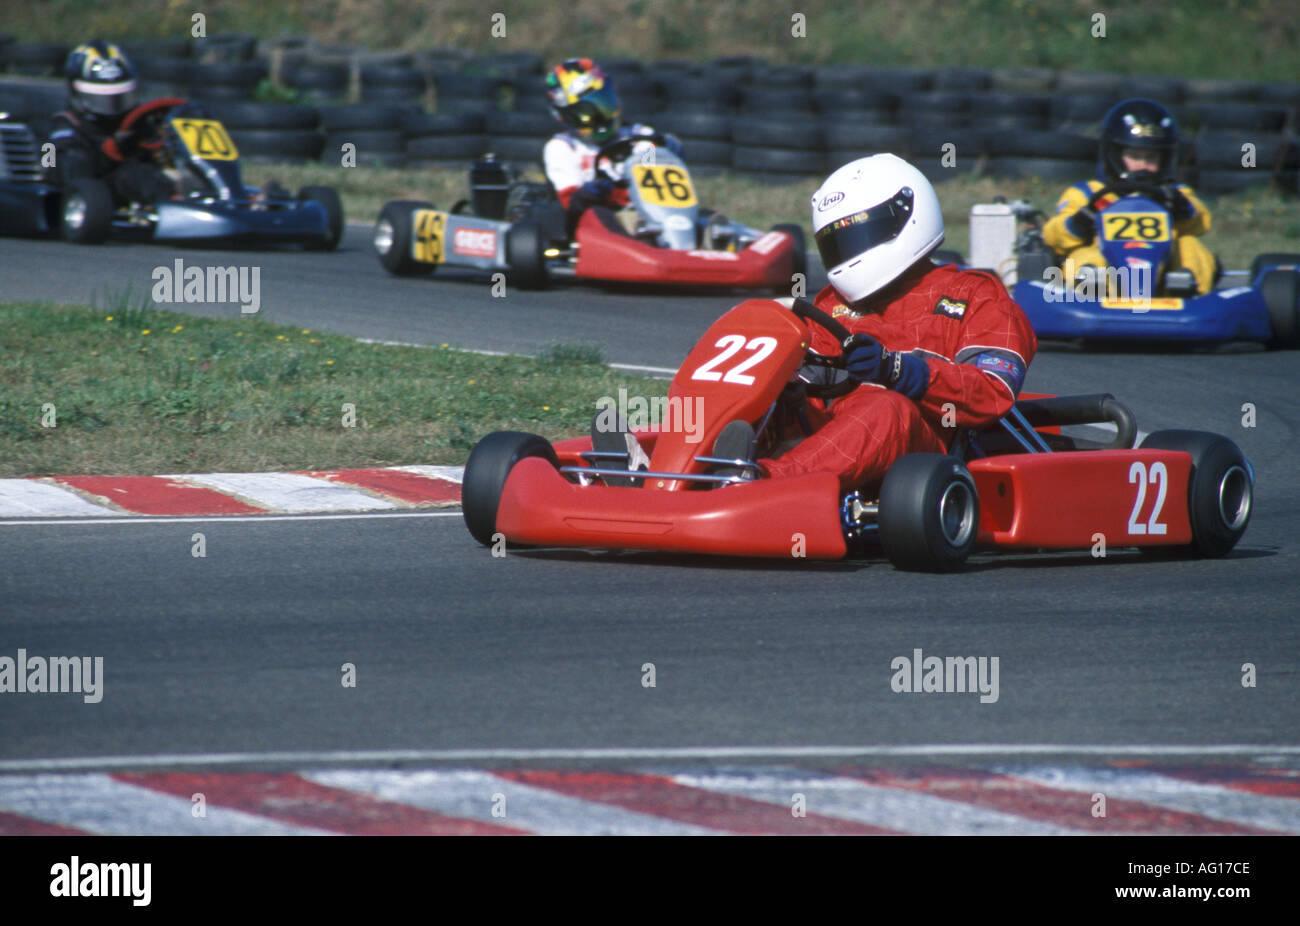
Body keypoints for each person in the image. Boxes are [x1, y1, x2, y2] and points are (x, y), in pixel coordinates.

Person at [716, 153, 1038, 492]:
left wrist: (900, 370)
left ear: (905, 216)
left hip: (922, 451)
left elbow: (992, 392)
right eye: (836, 243)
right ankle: (684, 468)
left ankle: (759, 485)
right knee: (762, 389)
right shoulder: (832, 305)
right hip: (830, 433)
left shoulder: (976, 295)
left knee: (884, 406)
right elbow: (813, 374)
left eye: (857, 236)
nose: (847, 252)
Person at [1042, 98, 1214, 295]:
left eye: (1151, 158)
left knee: (1190, 246)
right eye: (1134, 156)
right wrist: (1078, 224)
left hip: (1161, 276)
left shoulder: (1174, 194)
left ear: (1164, 159)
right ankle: (1091, 292)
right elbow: (1052, 236)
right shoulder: (1087, 193)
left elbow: (1202, 222)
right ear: (1114, 155)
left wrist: (1182, 209)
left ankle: (1186, 290)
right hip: (1107, 276)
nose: (1143, 165)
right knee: (1084, 256)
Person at [541, 57, 681, 236]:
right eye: (587, 113)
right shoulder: (563, 148)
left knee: (706, 220)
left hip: (652, 215)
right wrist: (593, 193)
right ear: (567, 116)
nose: (601, 117)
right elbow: (571, 203)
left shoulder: (641, 136)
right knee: (608, 219)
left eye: (605, 103)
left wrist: (668, 151)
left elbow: (652, 168)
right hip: (600, 224)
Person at [47, 40, 176, 206]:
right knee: (133, 174)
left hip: (138, 185)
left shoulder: (137, 120)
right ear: (77, 92)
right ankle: (172, 203)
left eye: (120, 99)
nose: (112, 109)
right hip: (92, 196)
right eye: (102, 99)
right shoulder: (66, 126)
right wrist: (111, 150)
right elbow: (74, 175)